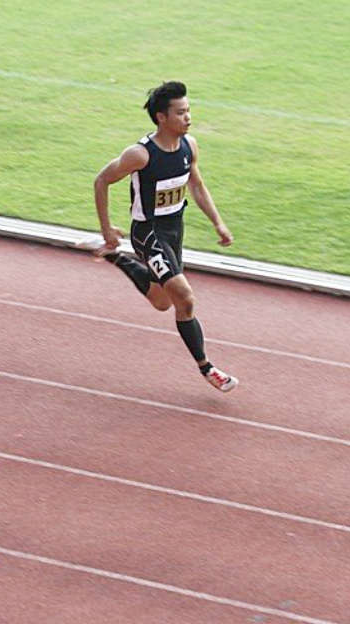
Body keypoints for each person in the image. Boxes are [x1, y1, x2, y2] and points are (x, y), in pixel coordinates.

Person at [93, 81, 238, 392]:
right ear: (161, 117)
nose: (188, 118)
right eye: (181, 112)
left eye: (189, 110)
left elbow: (196, 185)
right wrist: (107, 228)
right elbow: (102, 180)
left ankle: (117, 258)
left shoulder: (189, 146)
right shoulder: (140, 155)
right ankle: (208, 368)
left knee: (162, 302)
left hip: (174, 231)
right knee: (185, 298)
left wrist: (218, 223)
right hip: (148, 232)